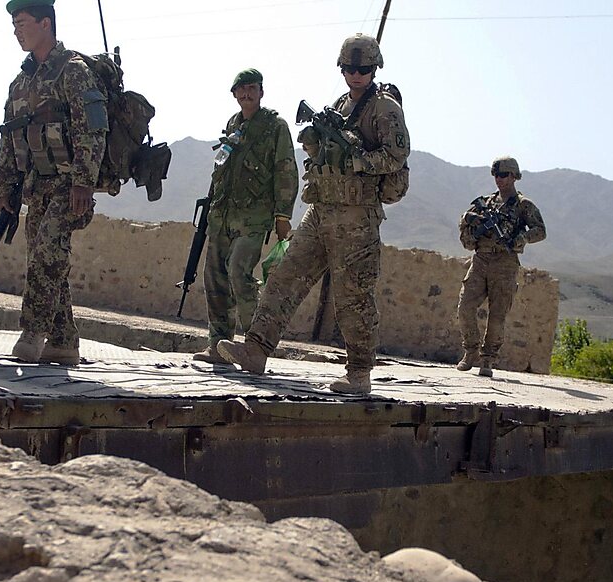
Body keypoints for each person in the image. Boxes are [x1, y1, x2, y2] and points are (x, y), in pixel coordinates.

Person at [217, 34, 410, 395]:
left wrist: (356, 160)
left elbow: (397, 155)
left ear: (374, 68)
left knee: (353, 294)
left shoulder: (383, 107)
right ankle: (256, 348)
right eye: (350, 68)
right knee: (284, 277)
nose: (356, 75)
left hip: (356, 216)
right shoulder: (340, 104)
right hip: (321, 209)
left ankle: (359, 374)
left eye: (364, 69)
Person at [0, 0, 108, 365]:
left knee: (48, 254)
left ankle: (32, 331)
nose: (16, 30)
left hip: (68, 183)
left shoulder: (73, 72)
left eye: (22, 22)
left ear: (46, 23)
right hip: (35, 185)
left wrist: (83, 183)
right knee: (46, 258)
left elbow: (92, 130)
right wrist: (5, 187)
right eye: (13, 23)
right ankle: (63, 340)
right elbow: (9, 138)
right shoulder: (21, 81)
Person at [192, 68, 298, 364]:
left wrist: (282, 215)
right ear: (235, 94)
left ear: (261, 92)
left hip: (255, 216)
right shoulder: (233, 125)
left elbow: (286, 169)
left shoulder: (274, 126)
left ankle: (254, 347)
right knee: (214, 277)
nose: (247, 94)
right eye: (242, 89)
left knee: (240, 273)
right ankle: (218, 344)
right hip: (223, 214)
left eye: (252, 88)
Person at [455, 156, 547, 377]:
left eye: (504, 175)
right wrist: (470, 222)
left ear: (514, 176)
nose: (499, 179)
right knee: (465, 307)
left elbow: (540, 230)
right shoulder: (485, 203)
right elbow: (465, 222)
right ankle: (470, 351)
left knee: (497, 315)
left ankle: (487, 359)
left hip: (505, 262)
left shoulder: (524, 205)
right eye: (496, 175)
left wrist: (523, 237)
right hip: (481, 259)